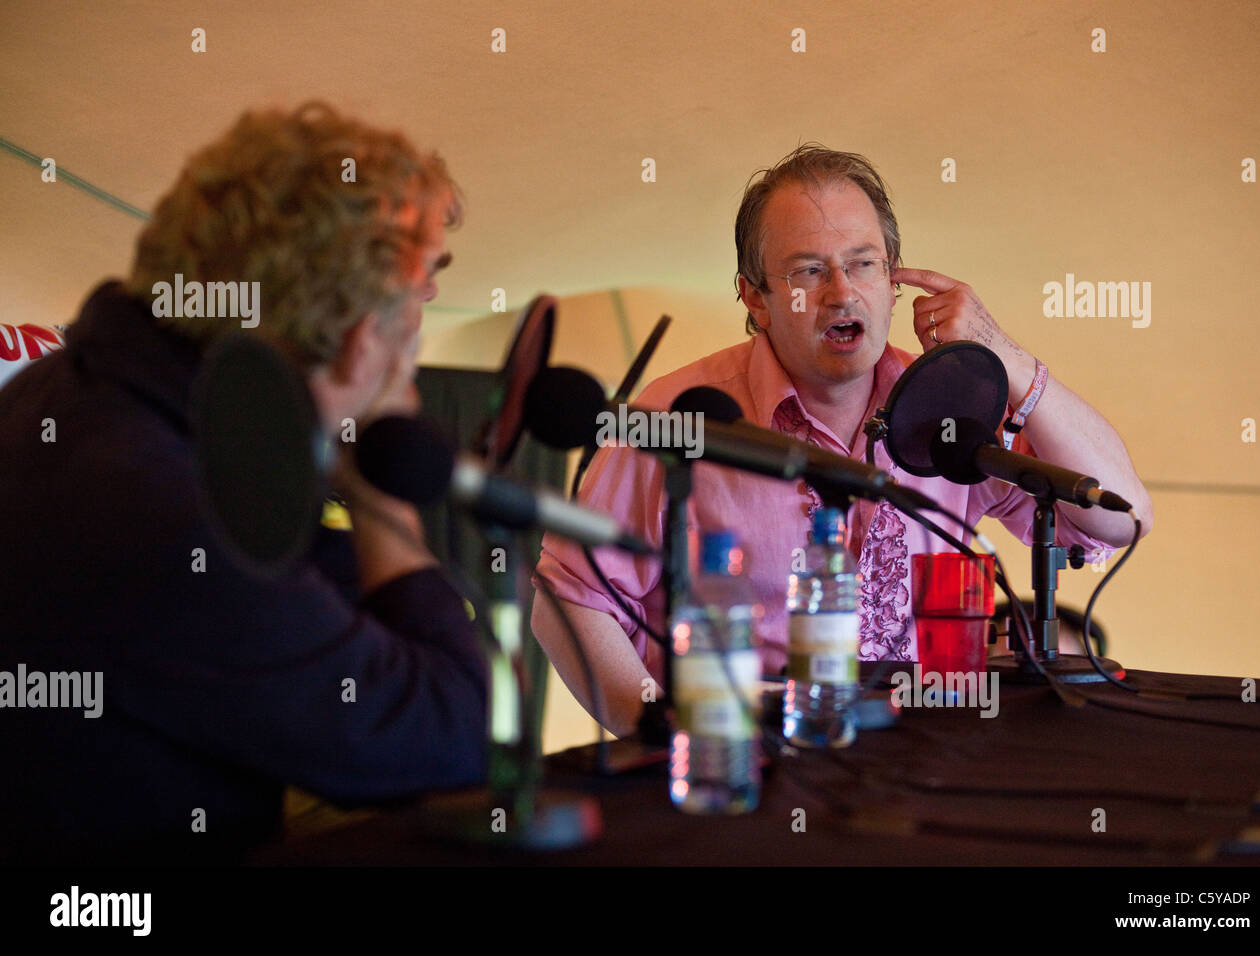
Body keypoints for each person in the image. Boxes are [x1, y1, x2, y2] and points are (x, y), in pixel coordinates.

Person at [0, 103, 486, 863]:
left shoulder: (79, 395)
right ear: (363, 342)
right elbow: (443, 736)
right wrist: (382, 475)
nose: (420, 321)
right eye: (421, 290)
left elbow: (307, 608)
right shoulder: (165, 507)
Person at [532, 145, 1154, 737]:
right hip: (744, 762)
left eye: (863, 263)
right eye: (809, 270)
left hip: (919, 762)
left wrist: (1008, 359)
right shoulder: (677, 413)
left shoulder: (950, 405)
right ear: (756, 295)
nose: (842, 291)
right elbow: (569, 595)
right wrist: (657, 728)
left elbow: (1120, 520)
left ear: (893, 278)